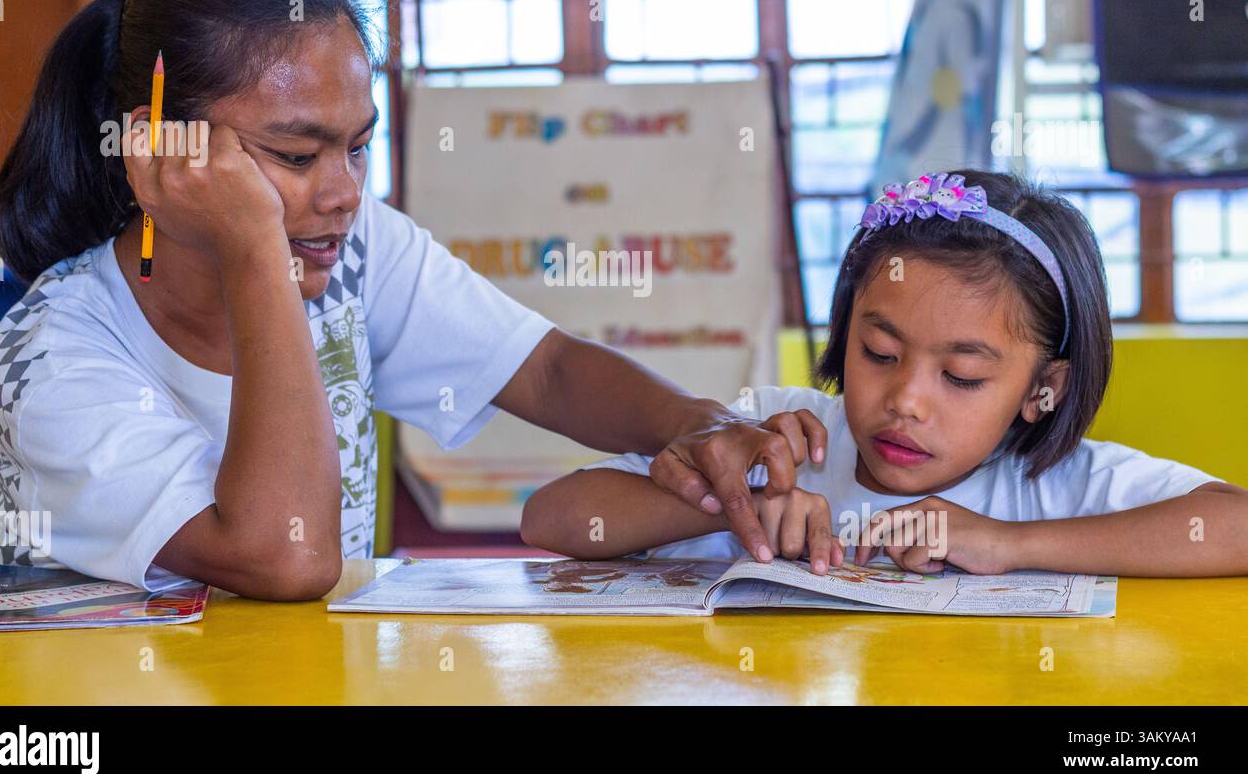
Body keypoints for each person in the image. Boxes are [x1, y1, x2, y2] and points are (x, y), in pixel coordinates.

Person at [0, 0, 795, 600]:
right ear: (159, 147)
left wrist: (700, 426)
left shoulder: (356, 250)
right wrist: (257, 254)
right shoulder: (52, 360)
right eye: (297, 154)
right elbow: (285, 558)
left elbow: (544, 370)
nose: (344, 192)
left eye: (359, 145)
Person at [522, 170, 1248, 578]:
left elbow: (1234, 527)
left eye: (961, 376)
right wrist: (738, 502)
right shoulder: (780, 441)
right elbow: (549, 517)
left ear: (1043, 389)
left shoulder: (1053, 487)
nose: (905, 400)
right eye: (879, 353)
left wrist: (1004, 543)